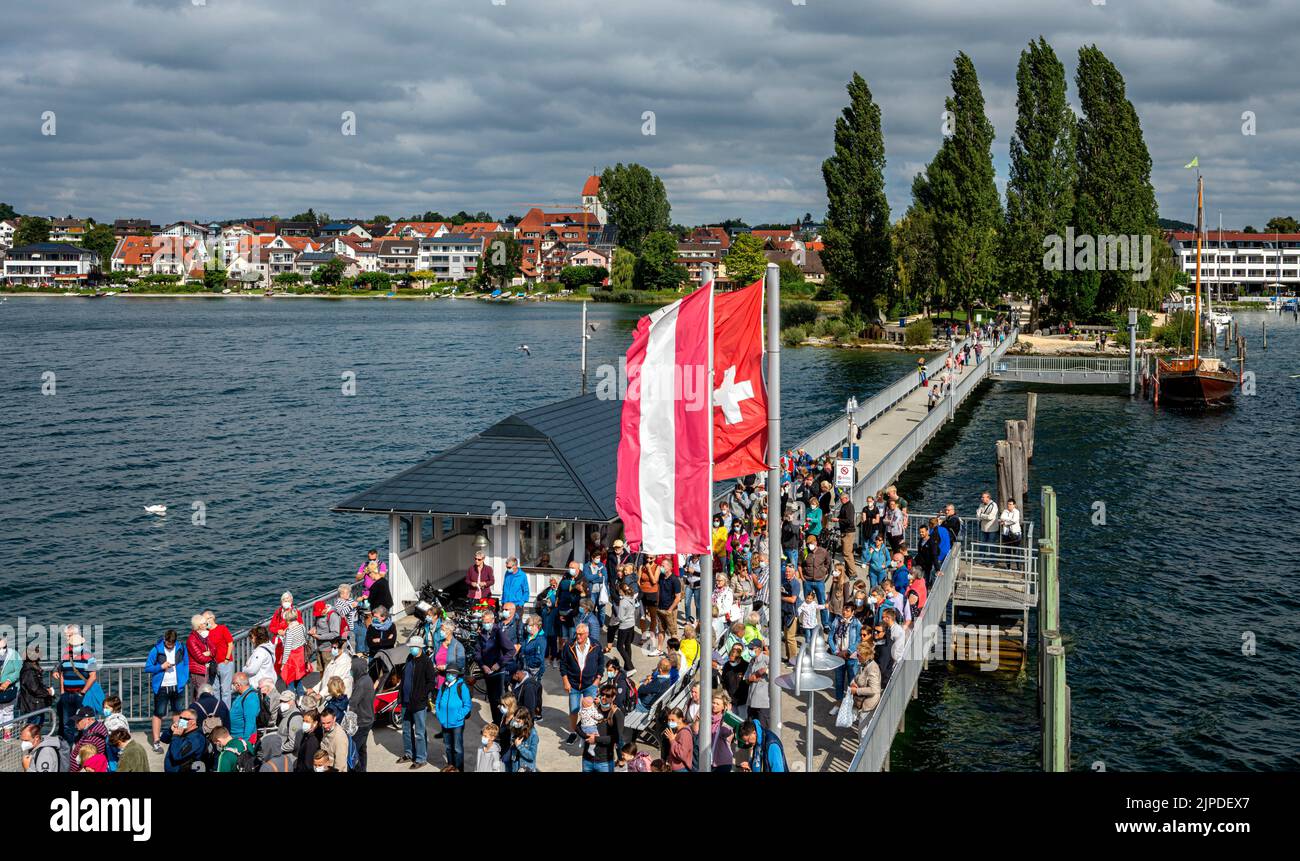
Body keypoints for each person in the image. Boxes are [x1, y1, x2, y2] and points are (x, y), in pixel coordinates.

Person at [141, 629, 188, 754]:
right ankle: (156, 742)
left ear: (175, 641)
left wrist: (184, 679)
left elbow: (186, 663)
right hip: (161, 687)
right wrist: (161, 667)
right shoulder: (156, 650)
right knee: (158, 713)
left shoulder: (181, 648)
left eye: (172, 644)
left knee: (178, 712)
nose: (170, 646)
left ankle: (178, 738)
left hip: (177, 686)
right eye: (168, 644)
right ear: (164, 640)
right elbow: (147, 667)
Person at [560, 623, 602, 746]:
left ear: (587, 634)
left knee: (590, 710)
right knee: (574, 710)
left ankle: (591, 733)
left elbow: (600, 663)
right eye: (577, 634)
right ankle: (573, 732)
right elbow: (563, 664)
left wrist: (597, 679)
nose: (578, 636)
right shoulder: (569, 646)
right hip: (573, 685)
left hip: (590, 684)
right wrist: (565, 681)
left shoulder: (596, 645)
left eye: (581, 634)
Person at [399, 636, 437, 769]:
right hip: (405, 701)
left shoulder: (426, 662)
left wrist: (422, 695)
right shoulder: (409, 658)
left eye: (414, 647)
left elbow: (431, 682)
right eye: (410, 647)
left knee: (419, 732)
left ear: (421, 647)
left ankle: (421, 758)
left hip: (418, 703)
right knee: (406, 730)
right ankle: (409, 753)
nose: (412, 649)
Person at [475, 607, 513, 720]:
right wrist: (482, 665)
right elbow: (477, 653)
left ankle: (502, 727)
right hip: (487, 672)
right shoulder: (481, 633)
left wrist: (499, 664)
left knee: (500, 700)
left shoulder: (498, 632)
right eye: (484, 622)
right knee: (492, 699)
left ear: (493, 621)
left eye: (488, 622)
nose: (485, 624)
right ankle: (495, 725)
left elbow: (511, 650)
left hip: (499, 673)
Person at [581, 683, 624, 772]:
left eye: (607, 695)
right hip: (587, 760)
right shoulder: (593, 708)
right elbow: (578, 727)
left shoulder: (617, 714)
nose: (604, 697)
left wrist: (596, 739)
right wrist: (586, 736)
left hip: (604, 762)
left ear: (613, 697)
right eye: (602, 694)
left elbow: (616, 738)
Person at [829, 604, 862, 703]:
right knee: (839, 681)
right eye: (844, 610)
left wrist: (849, 651)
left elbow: (859, 639)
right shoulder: (837, 621)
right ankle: (838, 703)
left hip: (851, 657)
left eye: (847, 611)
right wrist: (835, 651)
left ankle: (851, 704)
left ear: (852, 612)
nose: (844, 612)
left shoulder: (856, 623)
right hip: (838, 656)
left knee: (852, 682)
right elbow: (830, 637)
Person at [202, 610, 235, 707]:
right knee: (215, 689)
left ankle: (225, 712)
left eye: (205, 620)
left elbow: (230, 643)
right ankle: (217, 711)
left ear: (211, 618)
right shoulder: (206, 633)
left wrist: (227, 659)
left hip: (224, 663)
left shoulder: (222, 628)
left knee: (225, 691)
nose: (204, 622)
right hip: (213, 665)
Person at [18, 646, 54, 729]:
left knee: (36, 724)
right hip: (33, 704)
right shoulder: (29, 671)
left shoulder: (31, 668)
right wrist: (48, 692)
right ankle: (30, 739)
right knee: (34, 725)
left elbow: (35, 686)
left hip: (35, 703)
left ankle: (34, 738)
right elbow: (34, 689)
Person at [800, 533, 831, 629]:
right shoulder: (804, 552)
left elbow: (828, 563)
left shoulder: (823, 552)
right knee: (807, 603)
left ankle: (825, 624)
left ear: (816, 543)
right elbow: (799, 565)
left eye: (811, 543)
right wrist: (802, 577)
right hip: (807, 581)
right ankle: (806, 624)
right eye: (808, 544)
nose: (810, 545)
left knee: (822, 602)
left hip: (819, 581)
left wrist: (824, 571)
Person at [350, 655, 374, 771]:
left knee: (353, 749)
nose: (351, 671)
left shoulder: (360, 684)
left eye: (352, 669)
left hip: (361, 721)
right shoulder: (367, 679)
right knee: (362, 748)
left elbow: (353, 703)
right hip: (368, 718)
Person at [276, 607, 309, 695]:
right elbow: (304, 639)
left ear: (288, 620)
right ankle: (301, 695)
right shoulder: (302, 626)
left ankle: (291, 696)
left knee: (289, 679)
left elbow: (287, 648)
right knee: (298, 678)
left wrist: (283, 663)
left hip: (292, 657)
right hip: (300, 655)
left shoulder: (289, 631)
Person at [850, 641, 882, 728]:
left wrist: (856, 690)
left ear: (864, 656)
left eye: (858, 655)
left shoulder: (872, 668)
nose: (856, 657)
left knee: (863, 731)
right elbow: (857, 677)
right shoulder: (864, 664)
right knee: (861, 728)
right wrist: (853, 683)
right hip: (862, 702)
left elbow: (874, 690)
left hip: (868, 705)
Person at [162, 709, 206, 773]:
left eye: (184, 719)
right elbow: (164, 739)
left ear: (193, 722)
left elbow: (177, 756)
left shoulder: (196, 739)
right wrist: (170, 730)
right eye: (180, 718)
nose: (181, 721)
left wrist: (176, 736)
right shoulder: (182, 731)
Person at [184, 614, 214, 702]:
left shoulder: (204, 636)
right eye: (205, 623)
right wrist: (210, 656)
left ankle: (197, 711)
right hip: (198, 671)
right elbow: (200, 658)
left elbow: (214, 649)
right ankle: (200, 712)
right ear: (200, 626)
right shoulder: (191, 640)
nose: (207, 625)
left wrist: (209, 653)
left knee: (199, 693)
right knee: (201, 693)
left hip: (205, 669)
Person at [241, 626, 276, 691]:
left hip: (260, 685)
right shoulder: (269, 647)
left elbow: (252, 670)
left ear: (258, 638)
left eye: (252, 637)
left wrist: (244, 669)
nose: (251, 640)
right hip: (269, 681)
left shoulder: (260, 652)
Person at [228, 672, 261, 744]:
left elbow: (250, 722)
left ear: (238, 685)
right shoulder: (241, 694)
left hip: (243, 738)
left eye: (233, 684)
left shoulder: (250, 698)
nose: (232, 686)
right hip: (236, 736)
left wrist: (245, 741)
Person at [503, 708, 539, 772]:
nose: (516, 721)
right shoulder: (514, 728)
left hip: (526, 768)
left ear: (525, 720)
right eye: (515, 718)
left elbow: (532, 756)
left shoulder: (533, 734)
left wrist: (519, 746)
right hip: (515, 766)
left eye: (518, 720)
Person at [614, 584, 638, 672]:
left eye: (619, 590)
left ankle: (630, 666)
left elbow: (620, 617)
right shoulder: (631, 598)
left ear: (621, 591)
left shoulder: (623, 601)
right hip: (631, 624)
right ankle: (627, 666)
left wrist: (615, 622)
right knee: (628, 645)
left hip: (624, 626)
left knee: (619, 646)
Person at [662, 707, 693, 772]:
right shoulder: (677, 730)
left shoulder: (685, 733)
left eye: (673, 720)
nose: (670, 722)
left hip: (681, 768)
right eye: (669, 720)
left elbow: (682, 754)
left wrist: (672, 740)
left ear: (680, 719)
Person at [318, 708, 349, 772]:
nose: (325, 726)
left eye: (328, 723)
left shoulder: (340, 738)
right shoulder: (327, 729)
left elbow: (340, 765)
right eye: (323, 723)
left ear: (334, 719)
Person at [293, 710, 322, 774]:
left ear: (315, 723)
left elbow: (308, 765)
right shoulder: (307, 734)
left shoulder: (312, 741)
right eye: (303, 721)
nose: (304, 723)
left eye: (307, 721)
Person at [0, 636, 20, 727]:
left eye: (4, 647)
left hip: (9, 688)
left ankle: (7, 737)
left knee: (7, 712)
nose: (3, 650)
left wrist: (8, 681)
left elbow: (19, 670)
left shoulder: (13, 654)